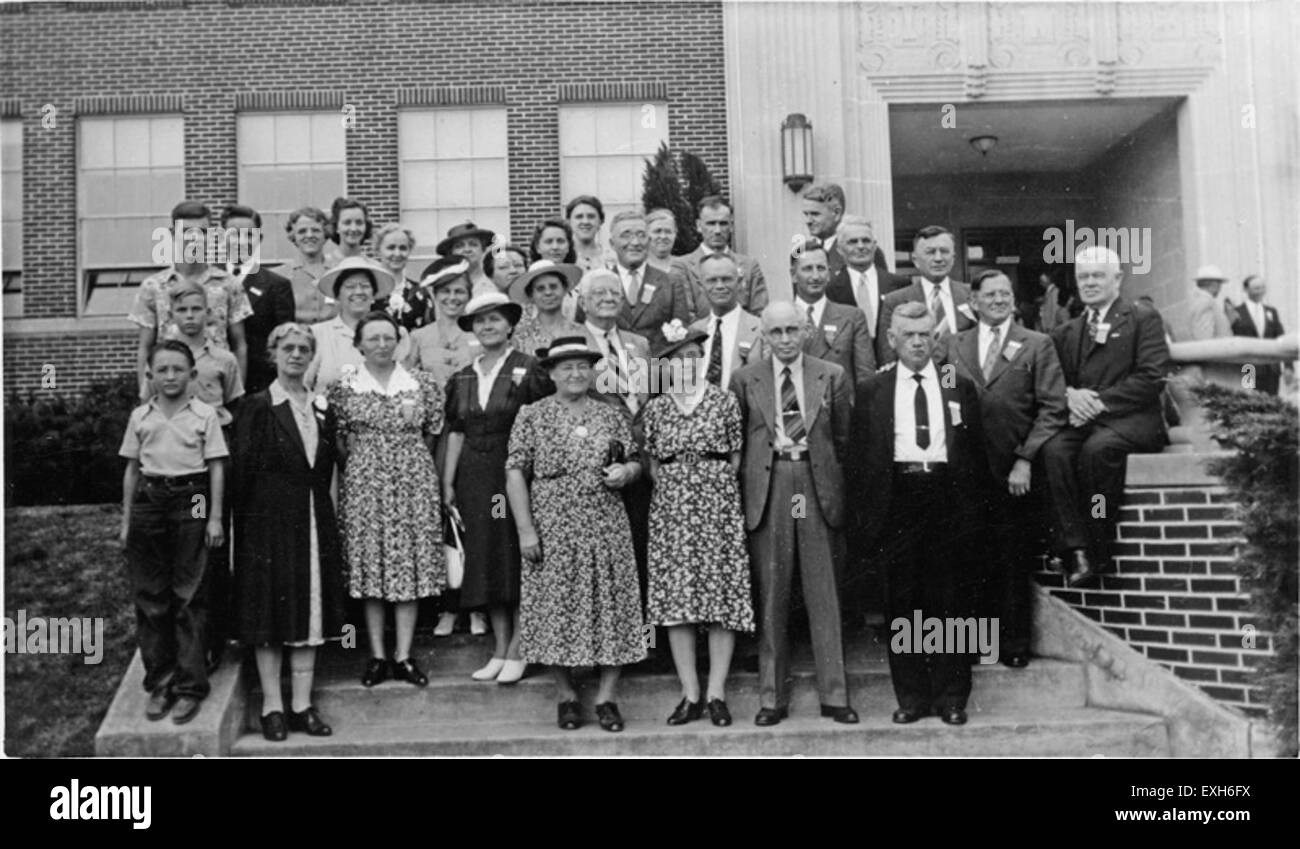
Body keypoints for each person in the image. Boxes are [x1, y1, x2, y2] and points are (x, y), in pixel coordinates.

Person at [851, 302, 993, 726]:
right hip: (899, 498)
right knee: (904, 602)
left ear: (937, 338)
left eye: (925, 334)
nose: (918, 342)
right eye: (908, 335)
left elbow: (976, 452)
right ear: (892, 340)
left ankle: (951, 696)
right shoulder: (874, 389)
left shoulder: (957, 385)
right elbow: (860, 458)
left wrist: (972, 511)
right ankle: (912, 696)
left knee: (950, 599)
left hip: (947, 496)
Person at [505, 336, 648, 732]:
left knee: (611, 605)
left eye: (583, 365)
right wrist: (526, 529)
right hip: (553, 524)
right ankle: (566, 694)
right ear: (550, 373)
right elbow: (515, 471)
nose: (575, 373)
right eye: (566, 366)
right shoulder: (532, 415)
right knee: (555, 605)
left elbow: (634, 461)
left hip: (605, 522)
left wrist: (627, 473)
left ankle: (606, 697)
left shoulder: (610, 414)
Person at [729, 302, 857, 727]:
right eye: (776, 332)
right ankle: (772, 698)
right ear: (763, 335)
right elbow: (741, 440)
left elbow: (842, 438)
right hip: (772, 484)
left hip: (814, 483)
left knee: (825, 592)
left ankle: (835, 695)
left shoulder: (832, 375)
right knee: (773, 593)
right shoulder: (745, 379)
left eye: (791, 330)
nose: (784, 339)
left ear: (805, 331)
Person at [941, 270, 1067, 668]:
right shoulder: (951, 344)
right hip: (964, 472)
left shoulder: (1036, 344)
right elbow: (944, 395)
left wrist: (1026, 459)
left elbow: (1053, 407)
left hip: (1013, 471)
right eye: (990, 294)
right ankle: (981, 644)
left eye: (1005, 293)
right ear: (973, 301)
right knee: (969, 559)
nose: (998, 300)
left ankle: (1013, 645)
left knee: (1012, 559)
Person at [231, 323, 346, 741]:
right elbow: (242, 474)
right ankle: (272, 706)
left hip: (314, 517)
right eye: (288, 349)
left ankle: (302, 704)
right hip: (269, 522)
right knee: (270, 609)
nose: (296, 355)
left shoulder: (321, 406)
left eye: (304, 349)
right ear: (273, 354)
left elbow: (328, 467)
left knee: (310, 607)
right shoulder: (257, 406)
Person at [642, 325, 754, 727]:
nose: (686, 364)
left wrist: (708, 483)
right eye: (677, 358)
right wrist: (681, 485)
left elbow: (737, 458)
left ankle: (717, 692)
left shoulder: (724, 401)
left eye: (693, 356)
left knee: (721, 595)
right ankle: (689, 692)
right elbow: (653, 466)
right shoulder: (655, 408)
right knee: (678, 600)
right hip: (672, 508)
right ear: (666, 366)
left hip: (716, 503)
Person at [1040, 246, 1172, 585]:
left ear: (1117, 279)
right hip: (1085, 421)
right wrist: (1070, 395)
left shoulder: (1142, 317)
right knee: (1053, 450)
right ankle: (1073, 547)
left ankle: (1098, 550)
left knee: (1097, 452)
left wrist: (1096, 402)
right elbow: (1053, 379)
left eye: (1098, 275)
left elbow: (1151, 377)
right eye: (1083, 277)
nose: (1090, 282)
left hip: (1132, 420)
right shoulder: (1067, 331)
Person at [329, 311, 447, 688]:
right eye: (373, 338)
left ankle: (404, 655)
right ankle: (377, 655)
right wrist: (370, 465)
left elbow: (432, 434)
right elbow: (341, 442)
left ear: (399, 342)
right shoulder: (344, 387)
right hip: (365, 485)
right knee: (371, 566)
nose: (381, 345)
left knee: (408, 566)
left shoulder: (421, 384)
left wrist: (406, 462)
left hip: (413, 482)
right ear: (359, 344)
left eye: (388, 338)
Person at [442, 293, 554, 683]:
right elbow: (456, 432)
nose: (488, 326)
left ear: (509, 326)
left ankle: (521, 648)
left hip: (515, 478)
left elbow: (544, 423)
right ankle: (500, 648)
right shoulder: (462, 376)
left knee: (515, 557)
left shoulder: (531, 369)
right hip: (476, 479)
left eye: (495, 320)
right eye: (480, 321)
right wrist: (448, 483)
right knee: (488, 558)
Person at [118, 340, 229, 725]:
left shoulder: (204, 414)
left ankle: (189, 686)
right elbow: (132, 469)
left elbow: (215, 467)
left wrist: (214, 517)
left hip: (192, 499)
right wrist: (127, 519)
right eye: (161, 370)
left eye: (178, 369)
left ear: (192, 375)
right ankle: (161, 681)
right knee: (151, 596)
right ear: (150, 375)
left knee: (189, 594)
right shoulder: (140, 416)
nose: (169, 377)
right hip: (150, 500)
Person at [129, 200, 251, 398]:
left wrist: (236, 399)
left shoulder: (229, 285)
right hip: (169, 394)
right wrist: (147, 400)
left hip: (214, 394)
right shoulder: (154, 286)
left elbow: (239, 345)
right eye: (186, 232)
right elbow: (145, 347)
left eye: (202, 232)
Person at [579, 210, 690, 350]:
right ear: (612, 244)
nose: (635, 242)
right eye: (626, 235)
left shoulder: (671, 282)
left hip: (658, 367)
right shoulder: (595, 283)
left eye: (641, 235)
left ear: (649, 242)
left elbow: (682, 332)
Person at [306, 257, 410, 391]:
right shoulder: (317, 334)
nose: (358, 292)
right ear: (337, 294)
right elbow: (302, 386)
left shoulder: (394, 334)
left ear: (374, 293)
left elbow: (403, 384)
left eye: (365, 286)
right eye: (350, 287)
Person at [877, 225, 976, 364]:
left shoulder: (972, 295)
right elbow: (888, 351)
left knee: (950, 384)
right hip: (917, 377)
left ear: (953, 258)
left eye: (944, 251)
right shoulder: (895, 300)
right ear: (915, 259)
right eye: (930, 252)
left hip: (958, 375)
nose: (938, 258)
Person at [223, 204, 295, 395]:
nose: (240, 241)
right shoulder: (210, 280)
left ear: (259, 239)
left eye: (248, 235)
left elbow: (283, 341)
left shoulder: (277, 285)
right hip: (214, 382)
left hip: (260, 386)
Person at [789, 237, 874, 389]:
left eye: (820, 268)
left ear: (828, 273)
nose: (815, 276)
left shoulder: (852, 317)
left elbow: (865, 377)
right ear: (793, 275)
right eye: (807, 269)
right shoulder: (780, 318)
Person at [674, 196, 768, 319]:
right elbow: (686, 315)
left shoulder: (749, 266)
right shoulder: (683, 266)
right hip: (701, 335)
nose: (717, 230)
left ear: (731, 226)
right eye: (711, 223)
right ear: (698, 225)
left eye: (723, 223)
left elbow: (760, 313)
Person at [825, 215, 910, 344]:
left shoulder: (900, 285)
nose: (860, 246)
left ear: (874, 246)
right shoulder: (829, 290)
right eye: (853, 242)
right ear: (840, 250)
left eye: (866, 240)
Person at [407, 256, 483, 395]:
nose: (452, 297)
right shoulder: (419, 336)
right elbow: (407, 380)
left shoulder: (481, 333)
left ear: (469, 296)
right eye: (445, 291)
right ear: (435, 295)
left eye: (459, 291)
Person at [689, 252, 764, 387]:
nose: (719, 286)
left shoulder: (759, 329)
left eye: (726, 279)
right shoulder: (694, 332)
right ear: (700, 286)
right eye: (712, 280)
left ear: (740, 282)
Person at [510, 260, 584, 358]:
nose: (548, 292)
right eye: (540, 289)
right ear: (531, 295)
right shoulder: (520, 337)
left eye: (553, 287)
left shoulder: (582, 331)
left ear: (565, 289)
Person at [1230, 274, 1287, 394]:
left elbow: (1282, 338)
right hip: (1248, 368)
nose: (1260, 292)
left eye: (1262, 288)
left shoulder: (1271, 312)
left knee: (1272, 404)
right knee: (1250, 403)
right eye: (1256, 288)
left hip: (1271, 368)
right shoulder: (1236, 313)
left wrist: (1288, 366)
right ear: (1246, 290)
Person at [372, 223, 434, 332]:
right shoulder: (369, 291)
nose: (397, 253)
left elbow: (430, 331)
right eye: (391, 248)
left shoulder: (420, 292)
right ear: (378, 251)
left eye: (403, 248)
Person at [281, 207, 337, 324]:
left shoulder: (338, 271)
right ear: (293, 236)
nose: (309, 235)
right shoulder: (281, 275)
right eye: (302, 231)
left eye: (316, 230)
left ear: (325, 234)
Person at [528, 218, 581, 321]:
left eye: (560, 241)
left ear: (569, 246)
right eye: (549, 241)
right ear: (538, 247)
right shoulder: (526, 283)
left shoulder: (580, 285)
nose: (555, 247)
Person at [1170, 264, 1234, 343]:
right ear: (1214, 284)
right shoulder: (1205, 303)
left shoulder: (1200, 301)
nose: (1220, 288)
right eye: (1219, 284)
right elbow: (1205, 340)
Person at [437, 221, 496, 297]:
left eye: (473, 244)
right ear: (451, 253)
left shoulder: (496, 284)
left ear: (483, 250)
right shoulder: (441, 286)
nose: (467, 250)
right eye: (459, 246)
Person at [801, 183, 847, 277]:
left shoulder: (855, 251)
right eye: (806, 214)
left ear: (837, 213)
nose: (808, 221)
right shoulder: (801, 252)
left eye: (815, 214)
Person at [565, 194, 609, 272]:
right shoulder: (563, 256)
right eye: (579, 217)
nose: (585, 221)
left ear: (601, 221)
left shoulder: (612, 257)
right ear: (568, 222)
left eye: (591, 216)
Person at [327, 197, 373, 263]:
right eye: (347, 223)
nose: (353, 228)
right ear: (336, 227)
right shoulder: (325, 267)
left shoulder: (374, 268)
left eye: (359, 222)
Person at [644, 208, 683, 276]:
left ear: (675, 234)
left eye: (668, 231)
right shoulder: (638, 267)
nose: (663, 236)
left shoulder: (684, 266)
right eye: (657, 231)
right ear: (646, 234)